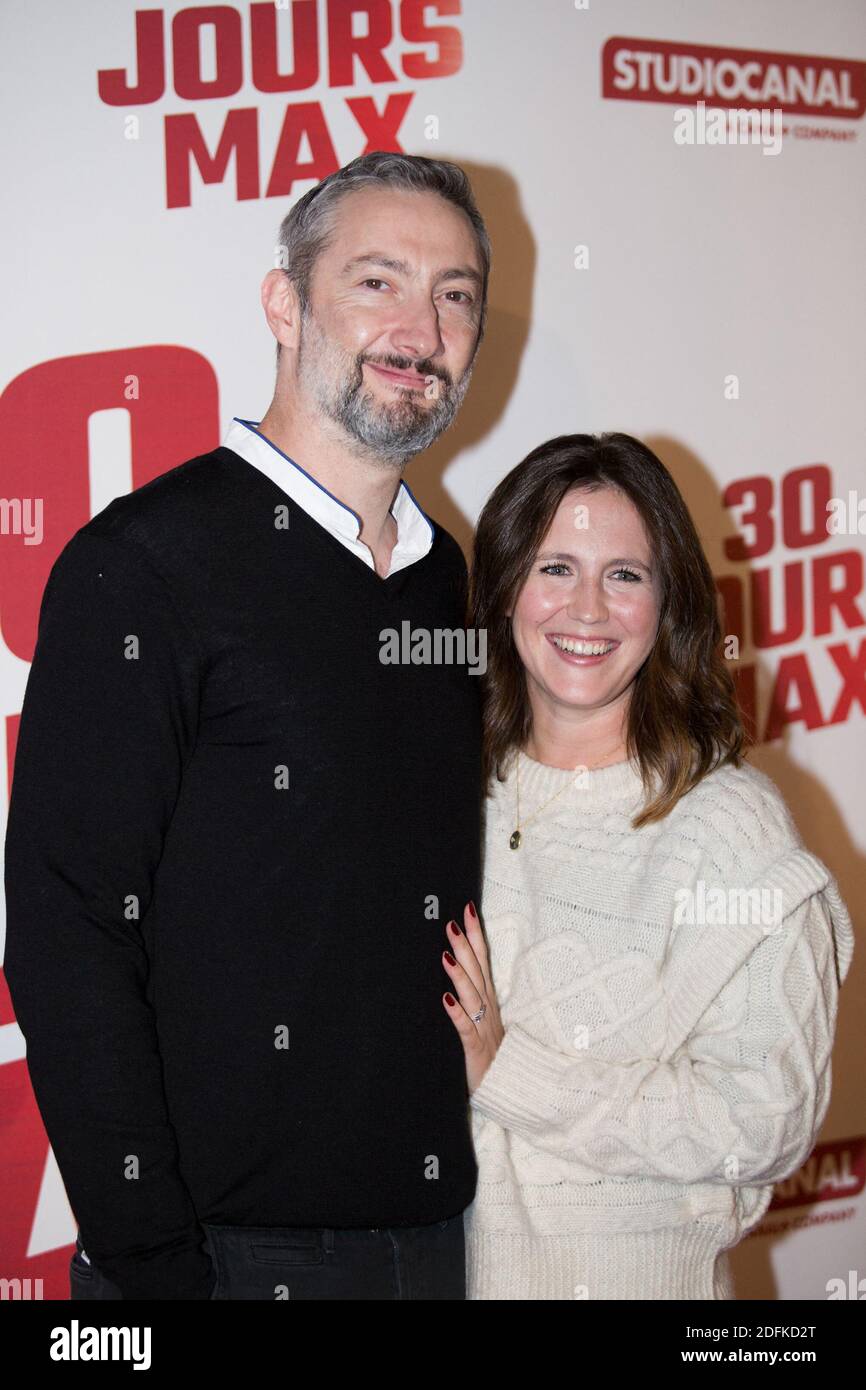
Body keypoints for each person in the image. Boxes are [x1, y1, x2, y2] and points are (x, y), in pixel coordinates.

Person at [4, 151, 491, 1300]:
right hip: (213, 1256)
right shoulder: (144, 566)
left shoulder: (445, 581)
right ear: (284, 304)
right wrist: (152, 1262)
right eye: (377, 281)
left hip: (435, 1234)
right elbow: (68, 930)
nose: (420, 325)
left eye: (455, 293)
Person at [440, 432, 854, 1300]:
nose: (585, 609)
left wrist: (513, 1073)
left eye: (624, 575)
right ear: (506, 587)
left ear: (669, 605)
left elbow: (763, 1122)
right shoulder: (441, 791)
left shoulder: (728, 831)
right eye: (555, 567)